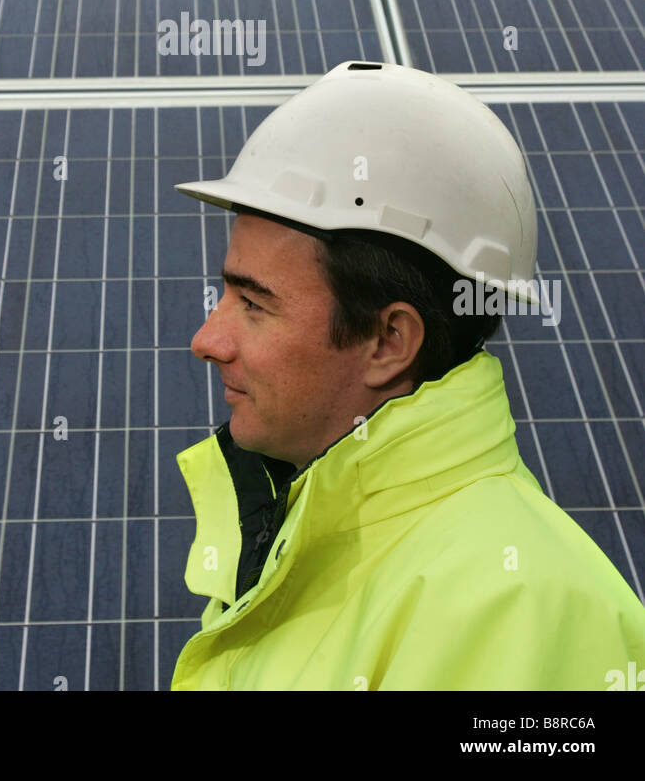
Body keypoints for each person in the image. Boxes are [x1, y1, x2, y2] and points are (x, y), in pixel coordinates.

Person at [169, 61, 645, 691]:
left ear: (389, 341)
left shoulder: (523, 612)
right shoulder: (303, 534)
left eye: (254, 304)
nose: (207, 340)